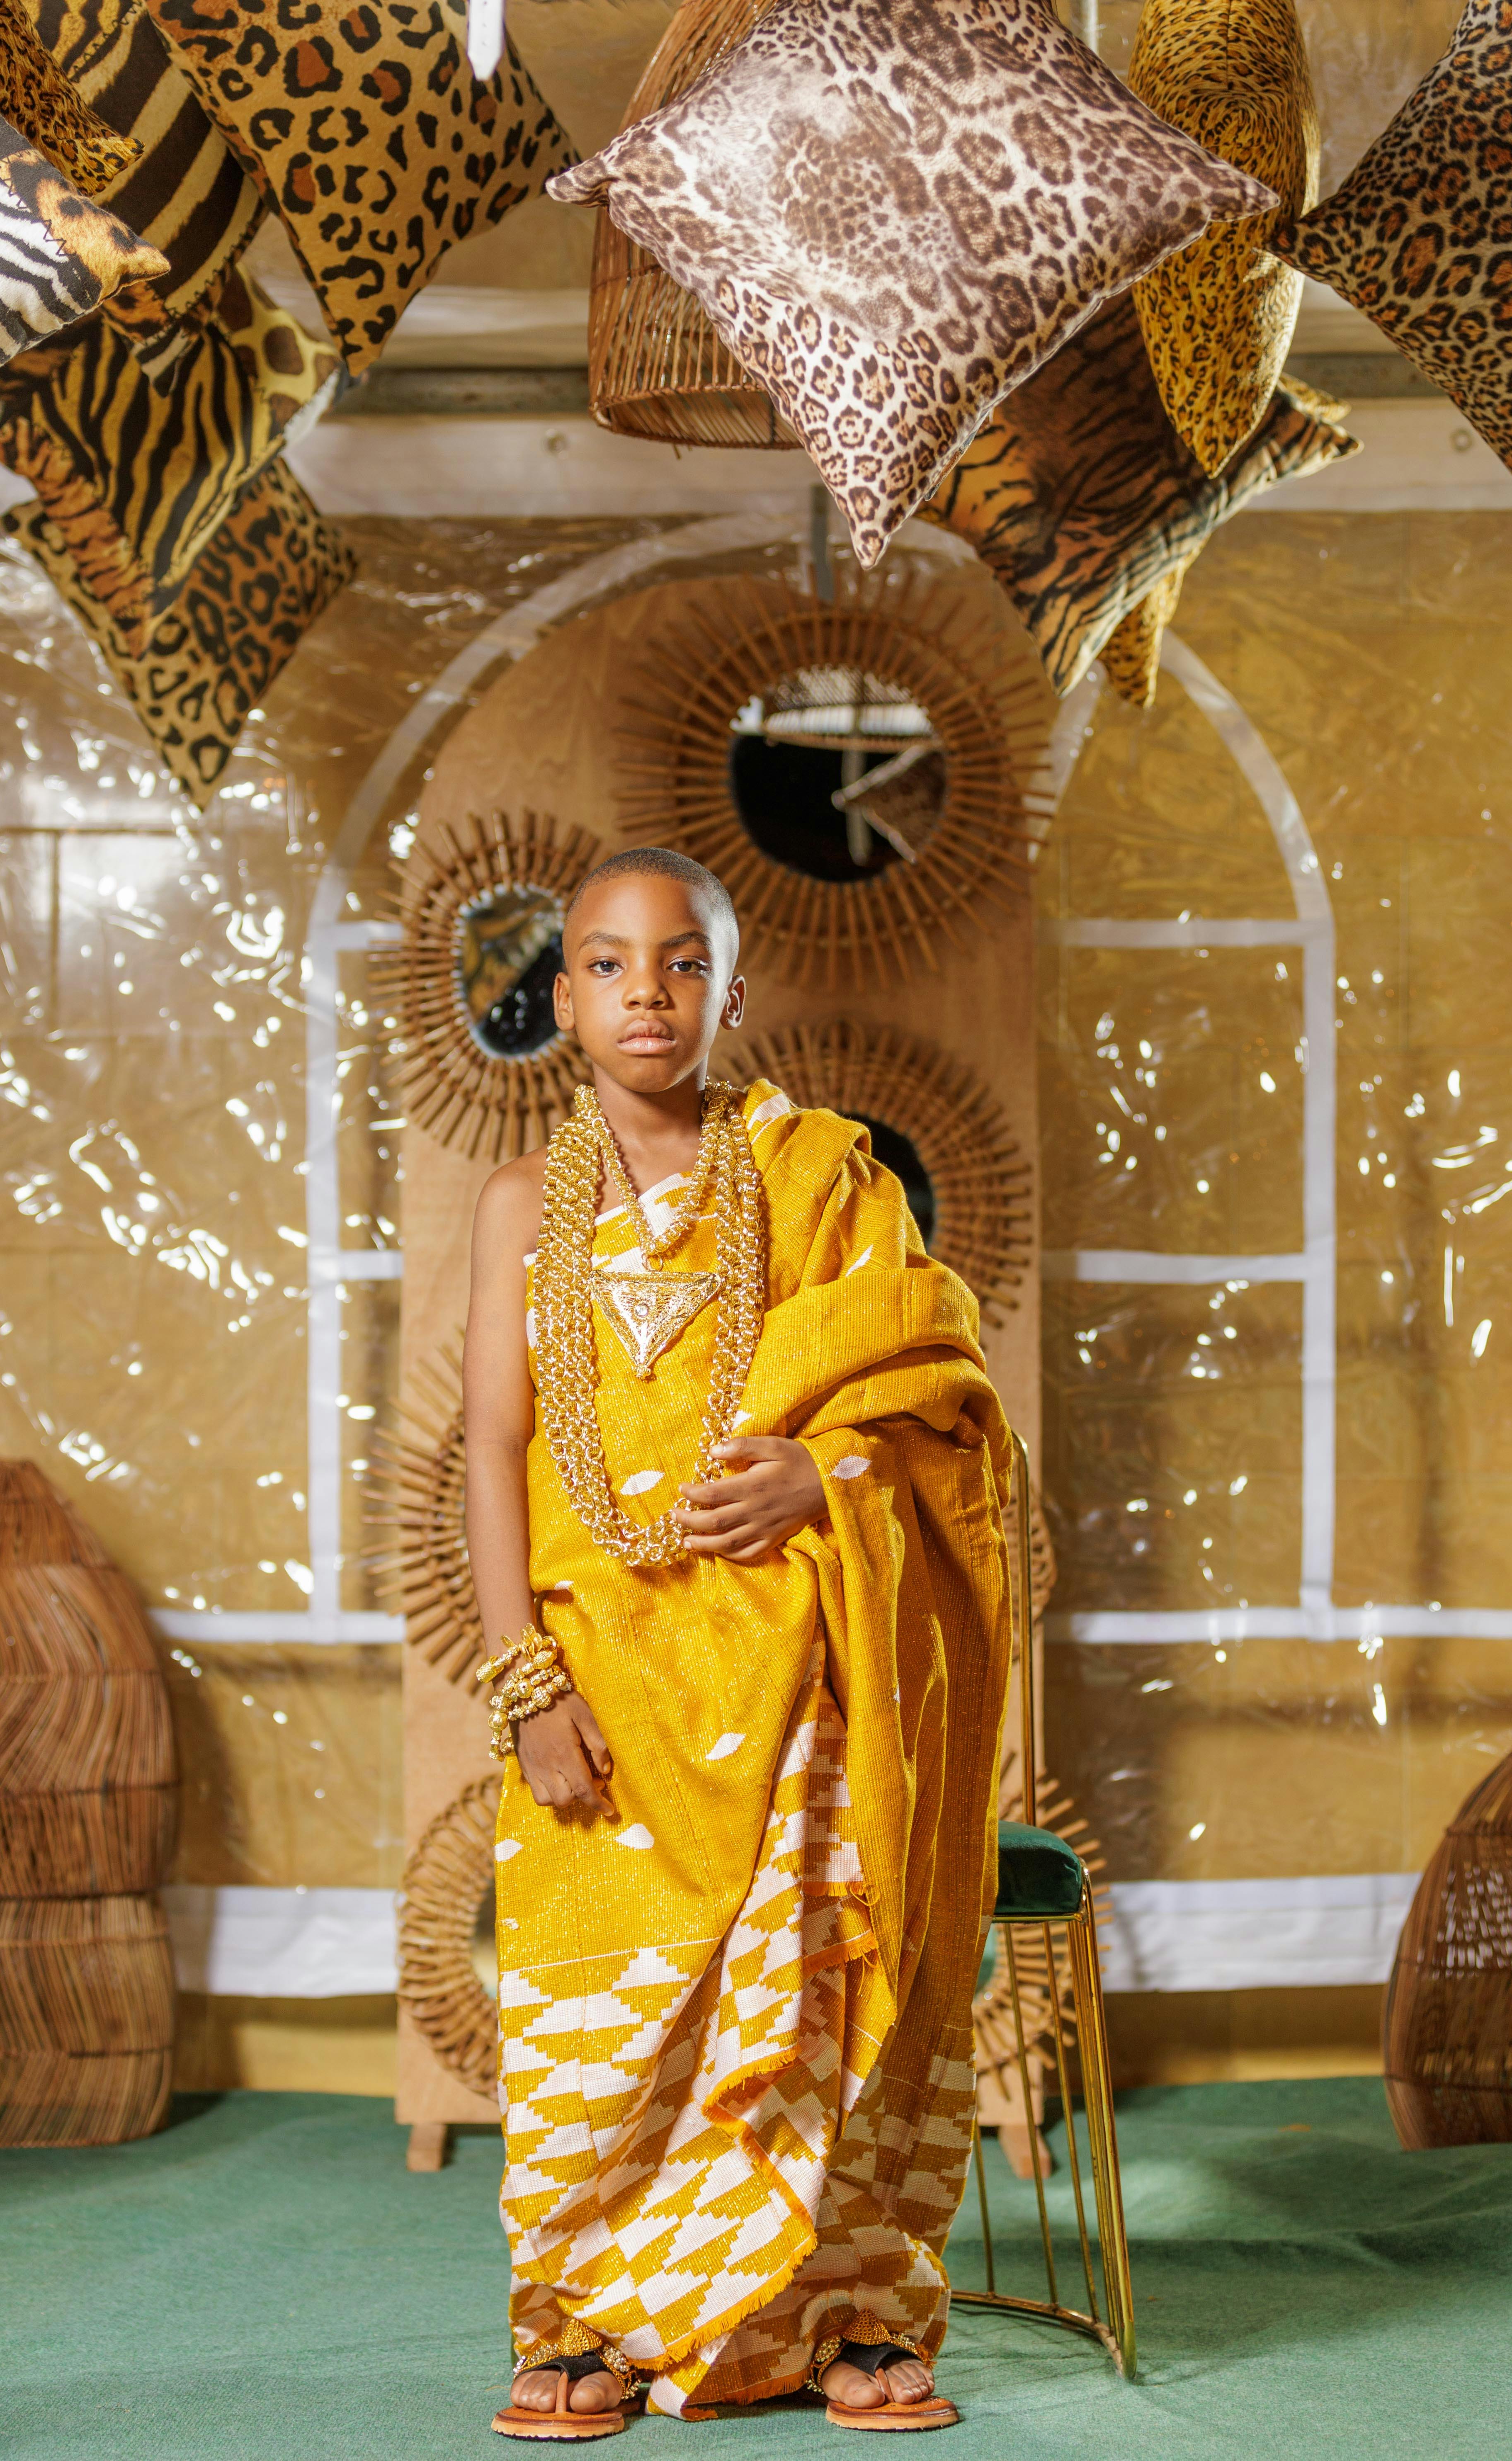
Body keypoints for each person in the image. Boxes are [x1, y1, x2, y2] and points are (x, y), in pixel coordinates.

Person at [464, 846, 1014, 2438]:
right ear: (562, 997)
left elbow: (939, 1398)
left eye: (684, 962)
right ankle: (587, 2317)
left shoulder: (826, 1178)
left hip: (801, 1685)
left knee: (814, 2007)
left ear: (735, 989)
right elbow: (490, 1451)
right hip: (601, 1686)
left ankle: (848, 2310)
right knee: (601, 2010)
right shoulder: (520, 1204)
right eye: (612, 965)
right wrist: (525, 1689)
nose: (650, 992)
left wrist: (821, 1474)